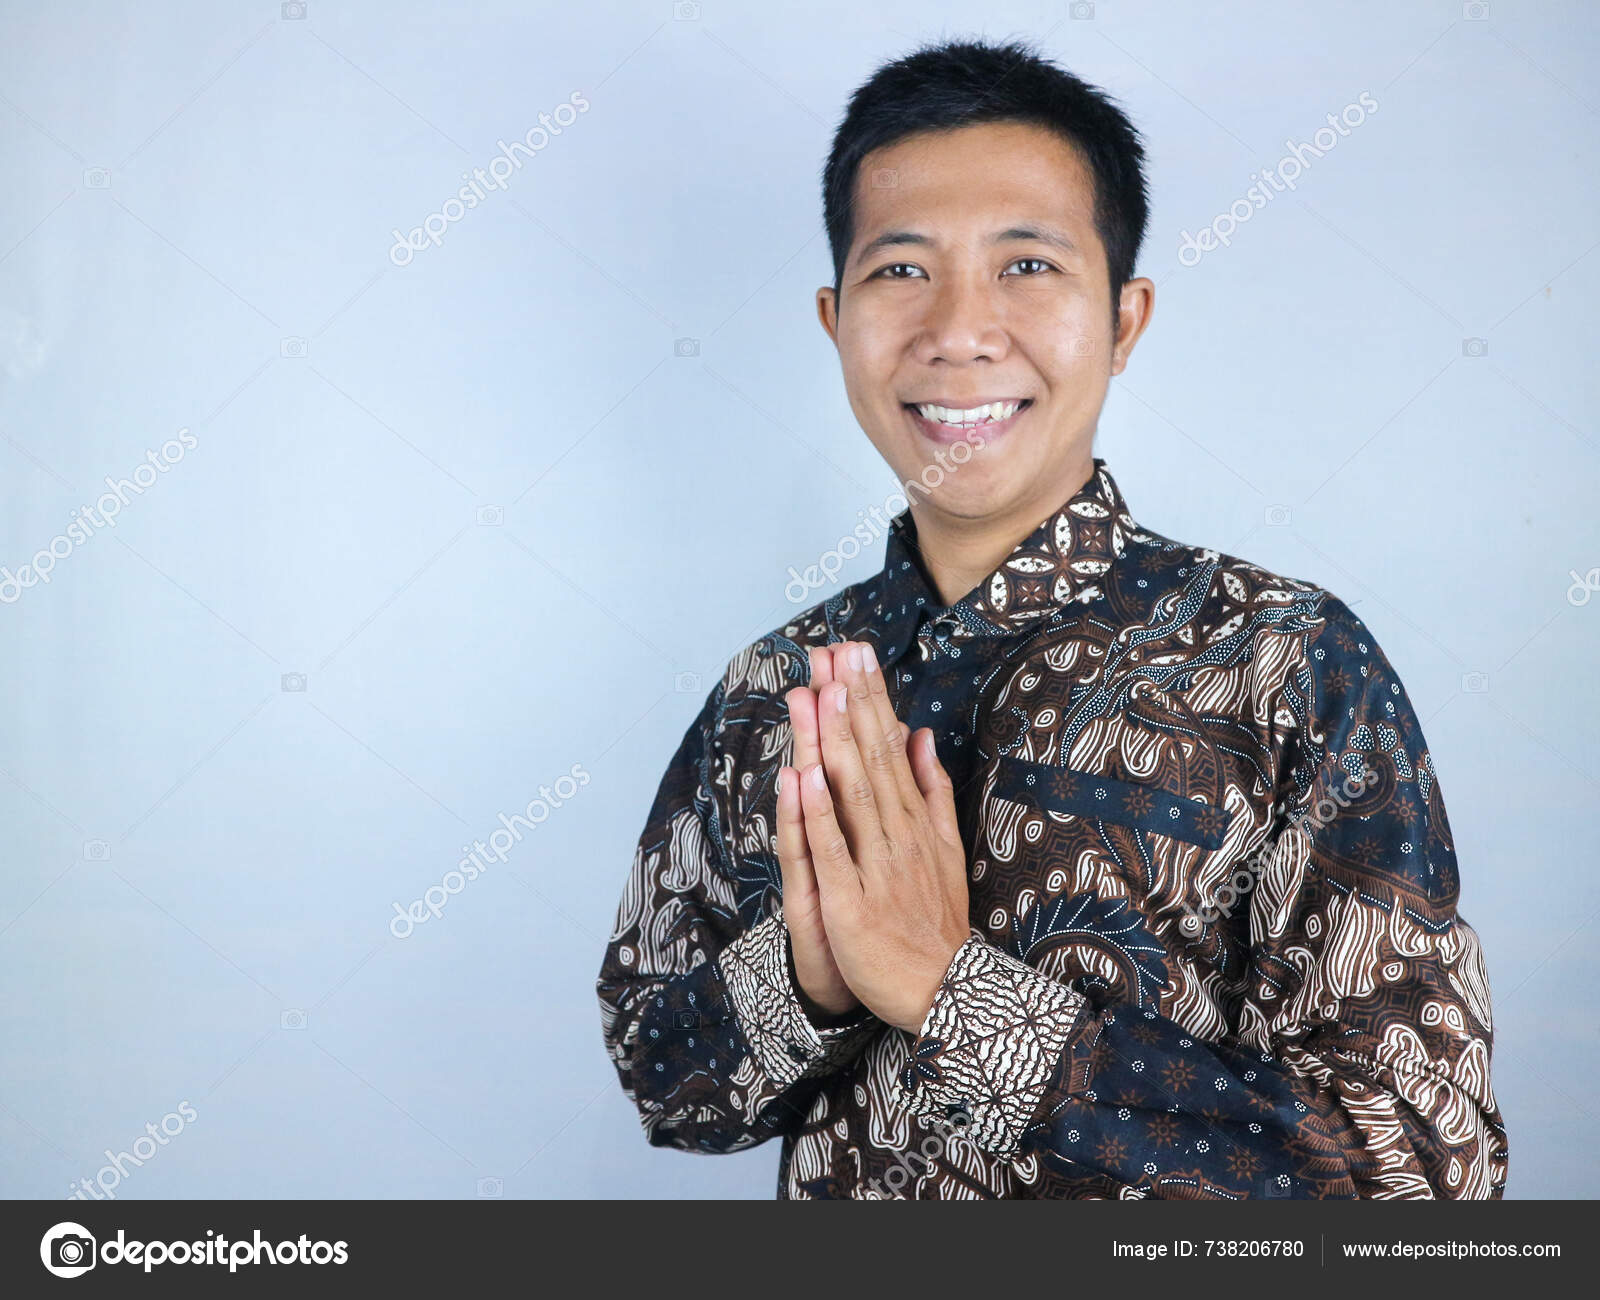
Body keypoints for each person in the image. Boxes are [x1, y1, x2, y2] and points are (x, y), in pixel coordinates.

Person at [596, 36, 1506, 1199]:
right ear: (834, 320)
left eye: (1026, 265)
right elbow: (658, 1078)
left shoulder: (1283, 659)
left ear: (1124, 319)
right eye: (901, 270)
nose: (960, 331)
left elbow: (1420, 1175)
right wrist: (809, 977)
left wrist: (946, 987)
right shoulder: (776, 687)